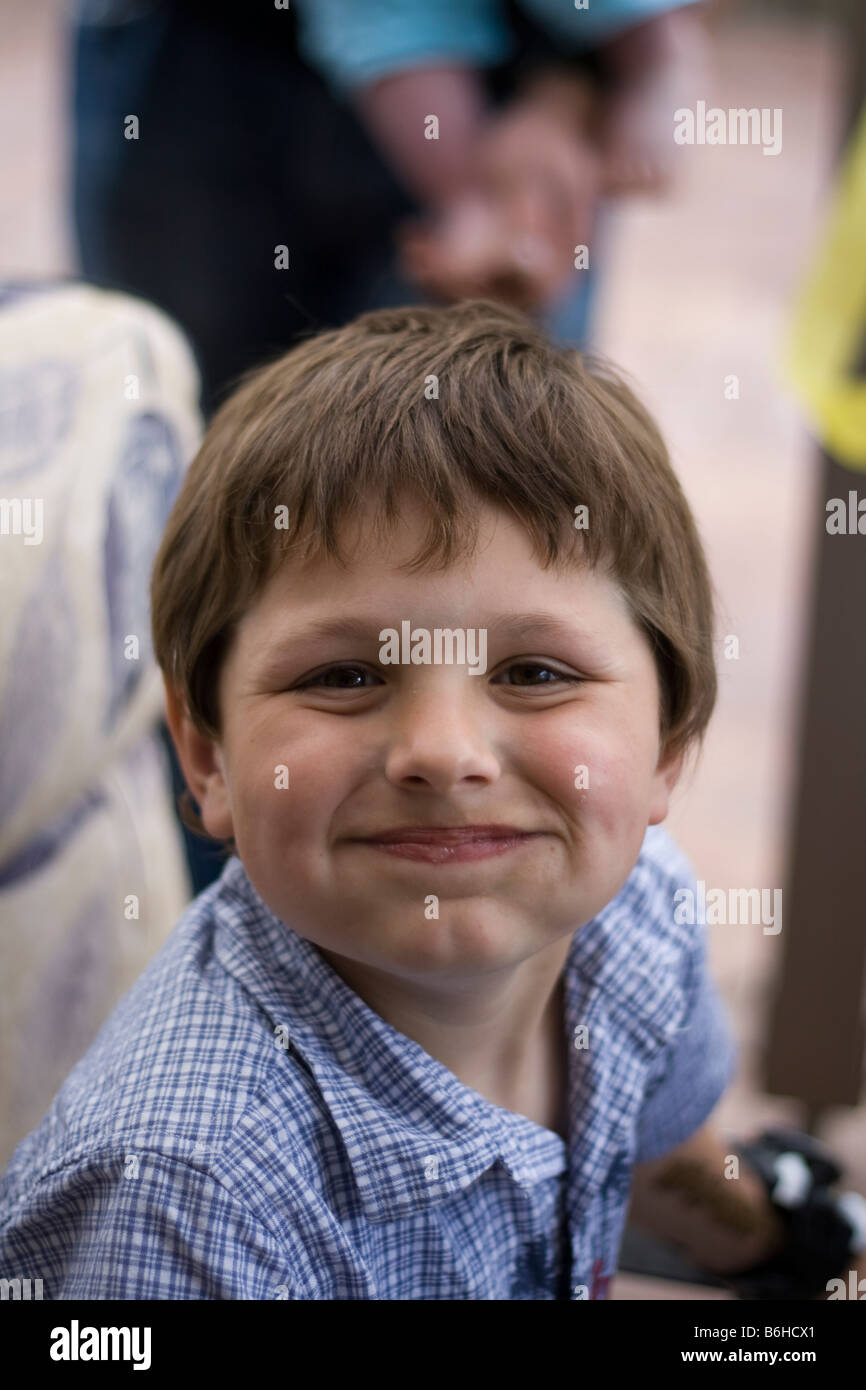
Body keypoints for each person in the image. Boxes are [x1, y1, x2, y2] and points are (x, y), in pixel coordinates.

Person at [0, 299, 802, 1299]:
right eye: (342, 677)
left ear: (667, 747)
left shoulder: (641, 912)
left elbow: (671, 1161)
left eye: (534, 671)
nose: (440, 753)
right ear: (204, 751)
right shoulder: (180, 1198)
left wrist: (809, 1250)